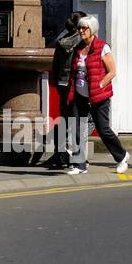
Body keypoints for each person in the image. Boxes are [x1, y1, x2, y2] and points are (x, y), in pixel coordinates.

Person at [67, 15, 129, 175]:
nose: (81, 31)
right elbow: (74, 72)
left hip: (98, 96)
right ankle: (79, 164)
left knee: (103, 129)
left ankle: (122, 157)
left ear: (92, 29)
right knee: (77, 128)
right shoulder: (78, 48)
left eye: (84, 28)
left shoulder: (102, 47)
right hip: (79, 95)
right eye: (80, 28)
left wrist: (100, 85)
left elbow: (112, 71)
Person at [43, 11, 85, 170]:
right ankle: (76, 156)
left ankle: (60, 154)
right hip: (74, 83)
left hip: (62, 82)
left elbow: (55, 64)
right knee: (76, 120)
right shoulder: (81, 40)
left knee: (64, 119)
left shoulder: (62, 40)